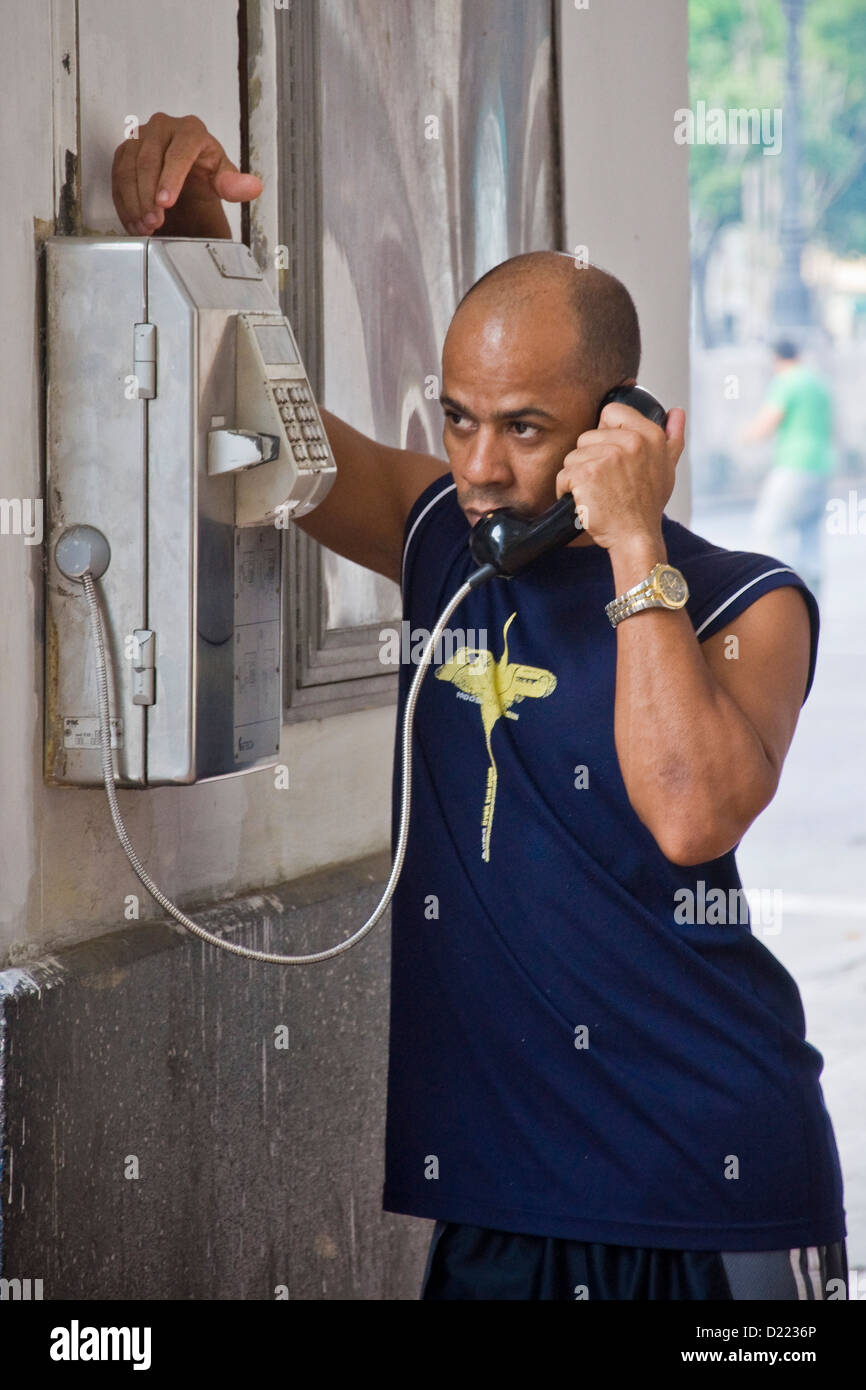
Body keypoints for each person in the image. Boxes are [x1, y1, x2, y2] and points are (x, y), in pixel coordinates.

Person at [112, 115, 847, 1301]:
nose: (480, 467)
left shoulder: (746, 603)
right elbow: (261, 410)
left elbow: (687, 812)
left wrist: (631, 543)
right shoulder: (436, 538)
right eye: (457, 416)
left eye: (524, 428)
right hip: (495, 1203)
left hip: (709, 1193)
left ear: (621, 428)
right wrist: (198, 224)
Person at [741, 341, 834, 601]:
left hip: (794, 465)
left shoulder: (788, 381)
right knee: (809, 534)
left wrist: (744, 437)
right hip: (820, 464)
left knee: (768, 529)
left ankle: (773, 597)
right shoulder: (817, 382)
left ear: (778, 359)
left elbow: (769, 420)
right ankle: (812, 599)